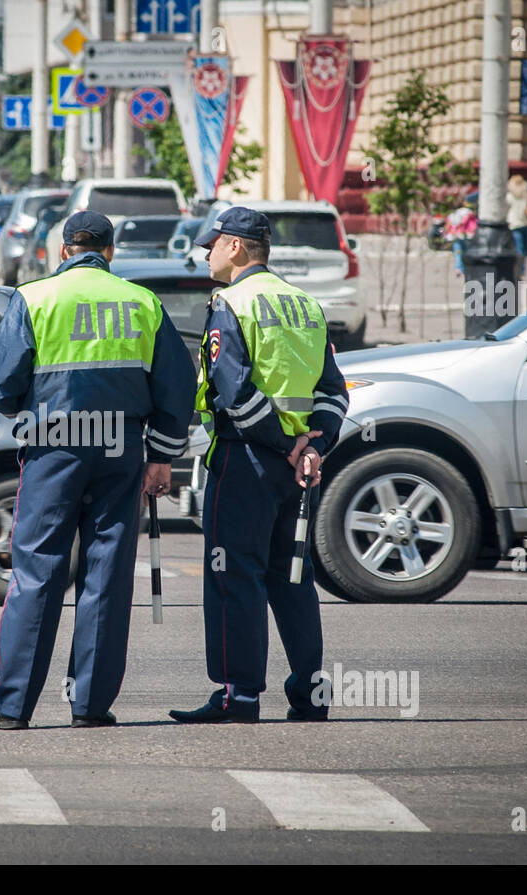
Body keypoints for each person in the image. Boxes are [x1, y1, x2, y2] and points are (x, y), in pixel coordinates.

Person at [0, 210, 197, 730]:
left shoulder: (33, 297)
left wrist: (28, 409)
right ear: (111, 251)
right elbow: (176, 388)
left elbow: (1, 385)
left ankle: (12, 708)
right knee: (107, 575)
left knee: (38, 571)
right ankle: (91, 705)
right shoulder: (142, 303)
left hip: (55, 446)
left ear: (64, 250)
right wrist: (161, 456)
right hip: (121, 448)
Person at [169, 207, 349, 725]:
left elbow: (233, 388)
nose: (206, 253)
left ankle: (238, 695)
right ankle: (309, 695)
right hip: (298, 470)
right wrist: (313, 447)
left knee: (234, 576)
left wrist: (279, 443)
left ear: (237, 248)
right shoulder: (306, 305)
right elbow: (333, 393)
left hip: (247, 459)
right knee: (292, 576)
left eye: (213, 244)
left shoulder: (232, 302)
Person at [505, 175, 527, 278]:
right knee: (524, 249)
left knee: (518, 248)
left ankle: (518, 270)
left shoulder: (510, 196)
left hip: (515, 224)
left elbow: (505, 209)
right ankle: (522, 269)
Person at [443, 199, 478, 276]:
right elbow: (474, 221)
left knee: (458, 253)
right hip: (467, 234)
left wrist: (445, 234)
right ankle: (469, 268)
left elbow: (448, 225)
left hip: (455, 235)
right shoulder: (468, 211)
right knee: (467, 252)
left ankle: (459, 269)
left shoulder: (452, 214)